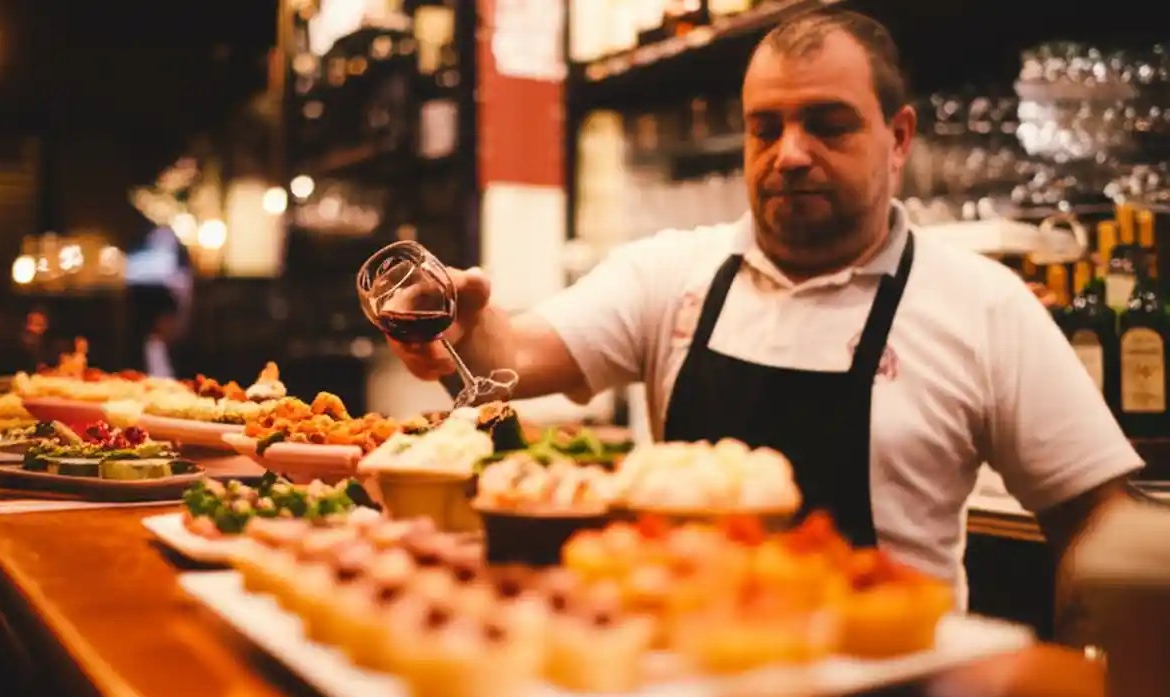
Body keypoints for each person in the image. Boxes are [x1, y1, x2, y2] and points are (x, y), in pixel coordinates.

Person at [385, 9, 1141, 608]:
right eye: (765, 127)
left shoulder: (986, 306)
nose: (790, 153)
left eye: (829, 124)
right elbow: (513, 359)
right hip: (695, 669)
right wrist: (462, 324)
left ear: (899, 137)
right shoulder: (672, 272)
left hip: (889, 689)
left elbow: (1103, 529)